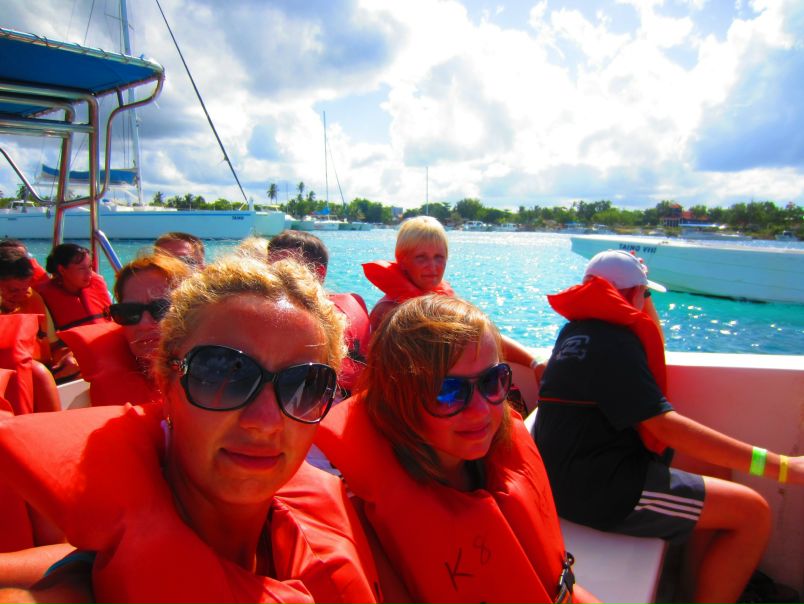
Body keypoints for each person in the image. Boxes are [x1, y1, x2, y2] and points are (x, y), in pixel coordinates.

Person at [0, 256, 379, 603]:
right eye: (222, 372)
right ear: (166, 383)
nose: (264, 422)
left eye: (305, 385)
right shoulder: (83, 587)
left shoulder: (327, 520)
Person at [533, 249, 804, 604]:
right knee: (753, 513)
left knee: (715, 468)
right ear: (635, 294)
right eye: (645, 293)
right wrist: (780, 466)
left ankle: (695, 590)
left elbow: (650, 344)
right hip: (604, 493)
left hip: (573, 475)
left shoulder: (576, 332)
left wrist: (636, 295)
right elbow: (665, 427)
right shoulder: (614, 343)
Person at [316, 294, 597, 604]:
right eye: (446, 391)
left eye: (492, 380)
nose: (480, 410)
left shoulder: (500, 460)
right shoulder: (366, 522)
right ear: (397, 399)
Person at [363, 216, 545, 399]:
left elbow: (484, 335)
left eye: (439, 257)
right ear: (402, 261)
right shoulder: (389, 313)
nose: (432, 266)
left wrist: (534, 363)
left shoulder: (442, 302)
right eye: (421, 258)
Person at [58, 253, 191, 406]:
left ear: (193, 313)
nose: (144, 324)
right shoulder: (88, 405)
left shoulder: (215, 386)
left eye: (161, 308)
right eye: (130, 312)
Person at [268, 230, 370, 397]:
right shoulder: (354, 300)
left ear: (319, 273)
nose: (273, 278)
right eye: (270, 269)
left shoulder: (307, 322)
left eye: (287, 269)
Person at [35, 243, 111, 333]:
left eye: (90, 267)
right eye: (81, 269)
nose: (89, 273)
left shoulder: (100, 287)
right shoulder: (44, 298)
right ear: (62, 270)